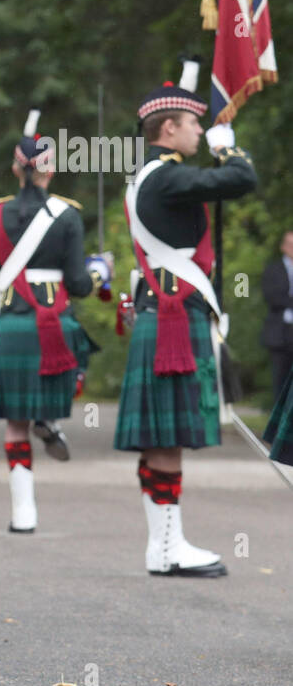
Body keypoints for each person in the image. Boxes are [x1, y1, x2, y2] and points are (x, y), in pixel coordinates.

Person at [113, 69, 255, 577]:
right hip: (172, 317)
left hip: (166, 311)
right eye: (195, 124)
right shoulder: (168, 175)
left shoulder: (152, 175)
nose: (202, 131)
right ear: (168, 129)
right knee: (166, 440)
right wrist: (228, 149)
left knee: (163, 439)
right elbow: (242, 180)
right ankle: (168, 548)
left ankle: (164, 546)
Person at [0, 112, 102, 532]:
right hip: (55, 324)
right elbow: (79, 285)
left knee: (14, 423)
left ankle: (23, 512)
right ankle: (51, 418)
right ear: (50, 169)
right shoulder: (68, 216)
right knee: (80, 353)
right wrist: (100, 274)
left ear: (14, 168)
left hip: (11, 327)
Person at [260, 231, 293, 394]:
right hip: (280, 333)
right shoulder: (273, 269)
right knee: (280, 380)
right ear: (283, 247)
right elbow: (272, 297)